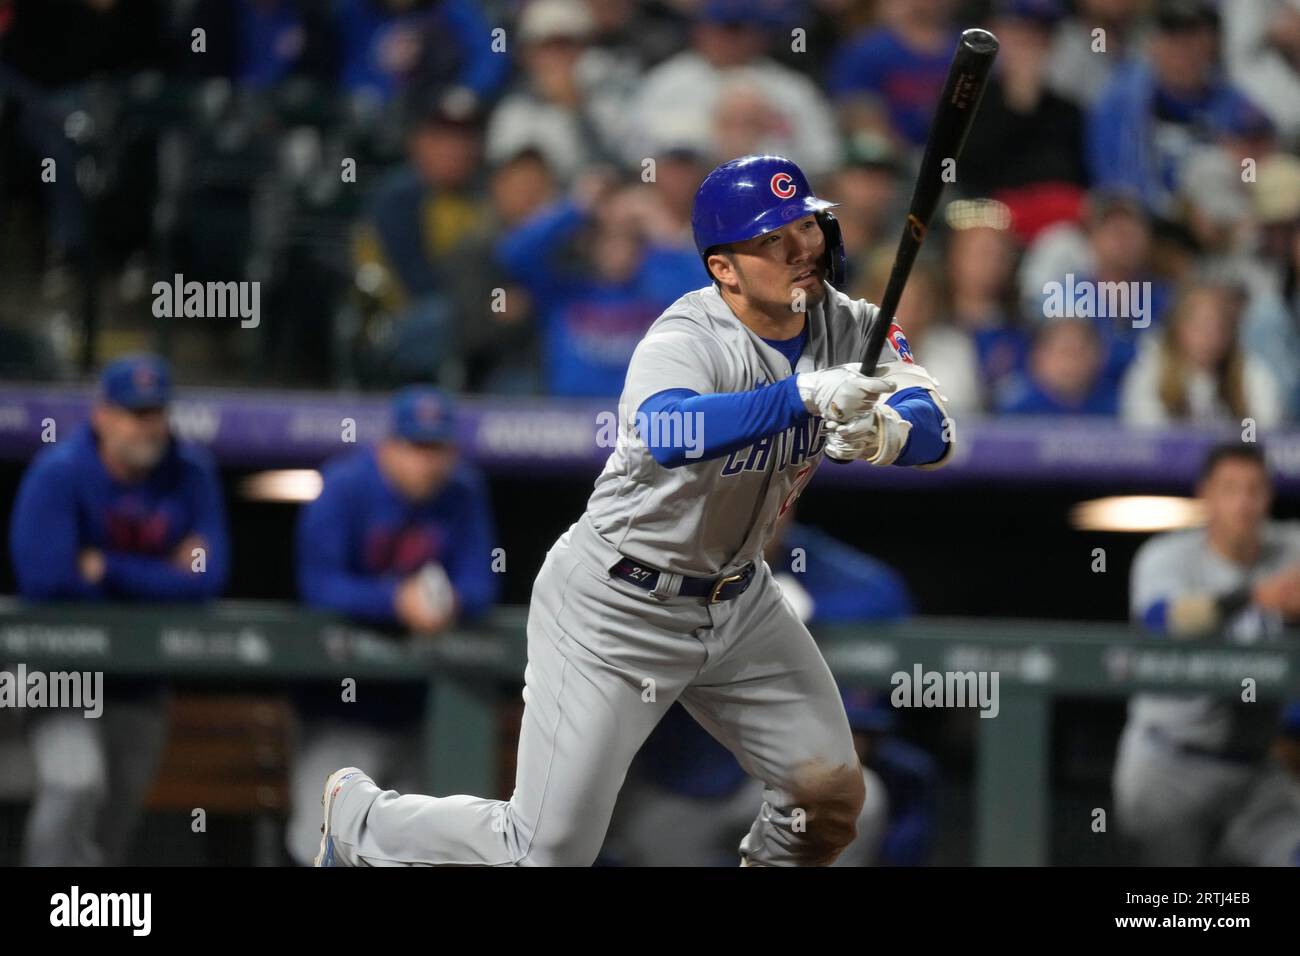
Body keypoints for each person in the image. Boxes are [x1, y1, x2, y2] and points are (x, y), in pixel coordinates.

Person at [315, 154, 956, 867]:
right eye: (774, 238)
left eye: (805, 225)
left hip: (740, 601)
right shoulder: (687, 335)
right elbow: (668, 430)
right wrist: (802, 398)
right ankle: (363, 820)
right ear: (725, 269)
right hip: (619, 599)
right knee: (546, 850)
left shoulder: (849, 325)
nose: (801, 247)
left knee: (830, 796)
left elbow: (937, 427)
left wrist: (888, 433)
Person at [8, 353, 230, 865]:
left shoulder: (191, 474)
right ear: (102, 415)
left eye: (155, 412)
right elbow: (46, 579)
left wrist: (106, 568)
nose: (147, 426)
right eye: (134, 413)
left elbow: (205, 578)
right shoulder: (58, 472)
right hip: (61, 675)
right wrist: (161, 576)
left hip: (140, 682)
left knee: (114, 826)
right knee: (75, 782)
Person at [600, 509, 912, 867]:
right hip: (679, 778)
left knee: (855, 798)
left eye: (765, 491)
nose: (746, 512)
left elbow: (850, 740)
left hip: (787, 774)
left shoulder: (858, 588)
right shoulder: (642, 567)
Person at [286, 386, 498, 866]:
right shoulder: (345, 486)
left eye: (439, 448)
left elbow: (482, 585)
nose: (429, 462)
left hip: (425, 710)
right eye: (417, 447)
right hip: (338, 705)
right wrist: (394, 601)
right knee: (323, 845)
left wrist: (446, 603)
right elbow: (318, 586)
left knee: (424, 853)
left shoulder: (463, 492)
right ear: (389, 447)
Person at [1113, 443, 1300, 865]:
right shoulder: (1167, 557)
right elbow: (1162, 620)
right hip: (1171, 763)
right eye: (1230, 489)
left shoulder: (1290, 549)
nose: (1244, 503)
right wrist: (1254, 597)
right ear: (1206, 496)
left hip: (1255, 770)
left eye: (1255, 490)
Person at [1119, 281, 1286, 427]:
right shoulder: (1150, 371)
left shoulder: (1251, 373)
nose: (1210, 336)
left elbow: (1264, 433)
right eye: (1201, 326)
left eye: (1218, 327)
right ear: (1179, 329)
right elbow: (1147, 439)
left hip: (1232, 461)